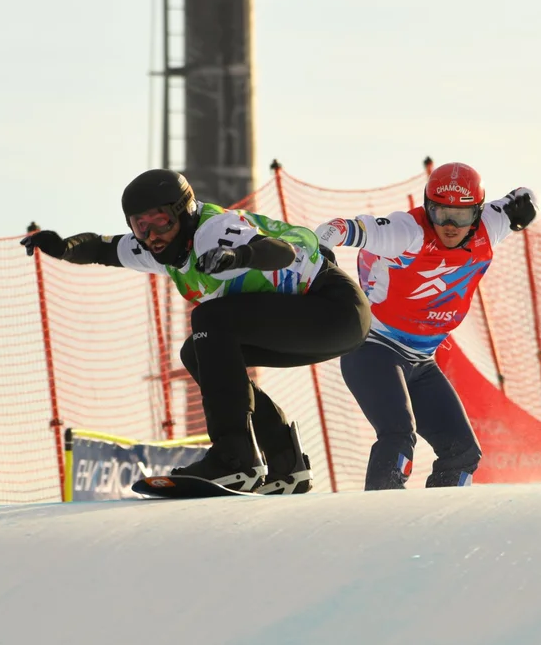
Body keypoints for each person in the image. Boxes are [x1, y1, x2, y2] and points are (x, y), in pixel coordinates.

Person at [22, 169, 370, 493]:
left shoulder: (212, 231)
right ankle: (285, 464)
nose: (152, 237)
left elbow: (279, 252)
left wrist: (239, 257)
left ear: (185, 213)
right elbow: (102, 247)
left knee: (211, 319)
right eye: (140, 226)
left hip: (335, 309)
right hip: (314, 319)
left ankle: (233, 459)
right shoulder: (156, 249)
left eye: (160, 222)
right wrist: (62, 247)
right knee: (199, 351)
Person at [316, 162, 538, 490]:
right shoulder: (406, 231)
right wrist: (322, 253)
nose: (449, 225)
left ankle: (435, 530)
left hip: (421, 362)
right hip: (374, 351)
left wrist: (528, 209)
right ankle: (376, 525)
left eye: (460, 217)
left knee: (462, 454)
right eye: (439, 213)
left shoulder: (490, 226)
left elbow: (524, 196)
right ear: (426, 207)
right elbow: (333, 228)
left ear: (477, 214)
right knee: (398, 439)